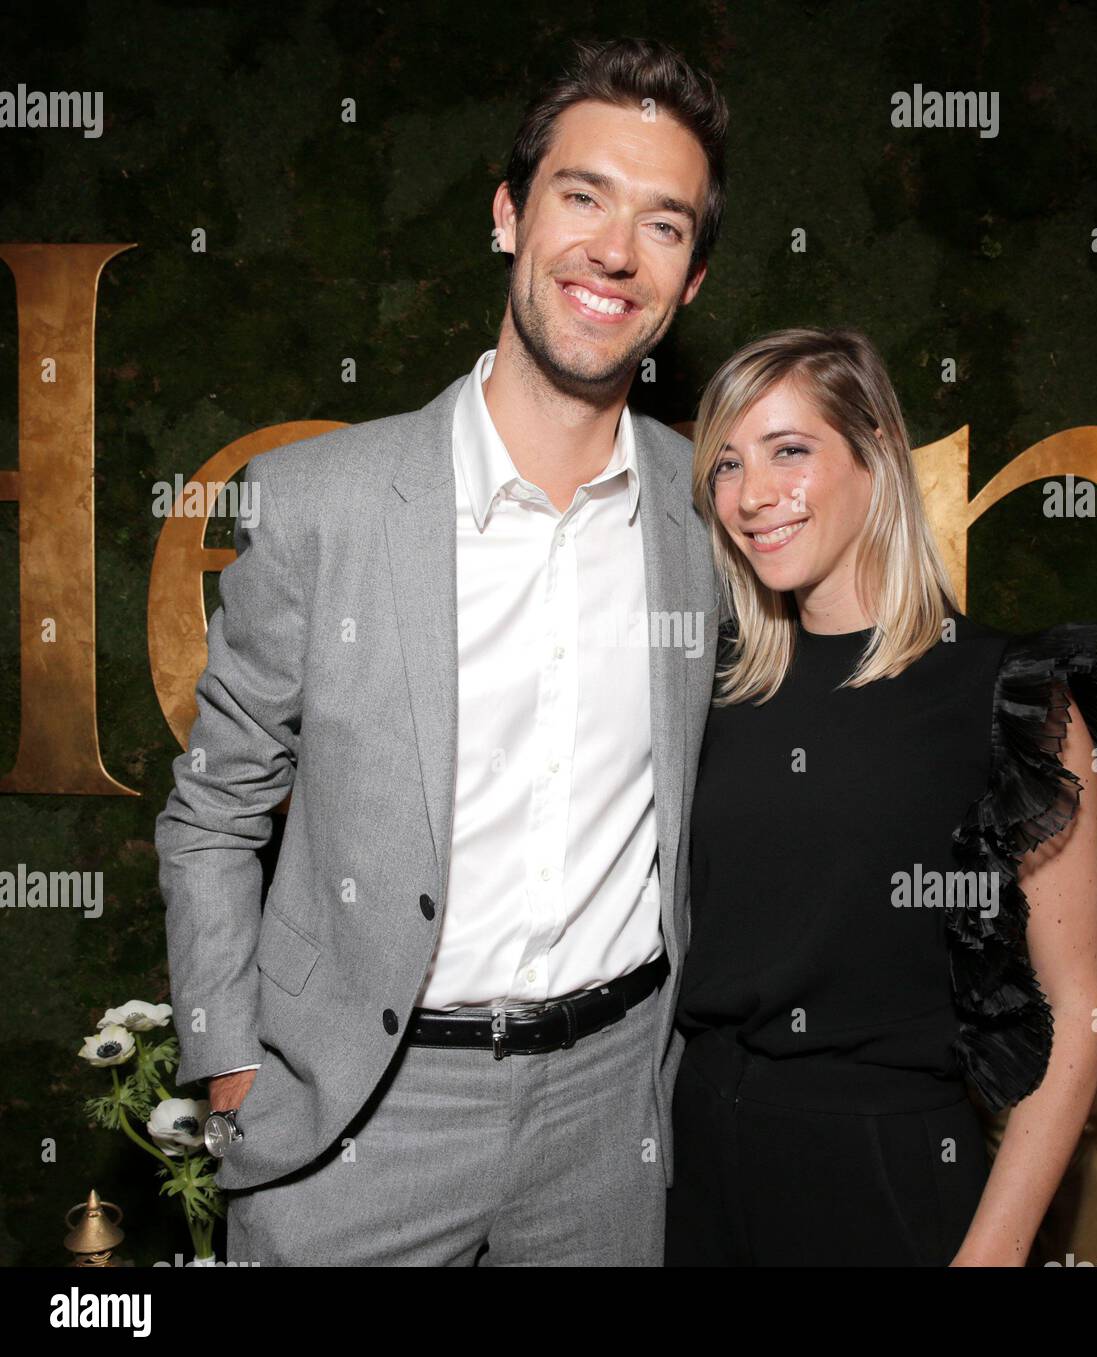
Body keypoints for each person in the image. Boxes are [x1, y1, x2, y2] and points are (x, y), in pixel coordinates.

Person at [156, 37, 729, 1266]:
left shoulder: (709, 515)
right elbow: (212, 812)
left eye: (663, 225)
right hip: (360, 1114)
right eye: (581, 195)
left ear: (686, 284)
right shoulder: (322, 502)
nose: (614, 252)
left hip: (609, 1110)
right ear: (508, 215)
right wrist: (228, 1064)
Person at [665, 327, 1097, 1267]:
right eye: (725, 464)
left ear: (877, 452)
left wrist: (994, 1252)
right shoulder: (704, 686)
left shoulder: (1011, 697)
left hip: (883, 1174)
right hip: (691, 1166)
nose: (752, 495)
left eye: (789, 450)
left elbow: (1079, 1000)